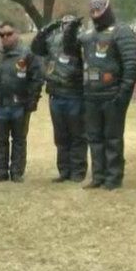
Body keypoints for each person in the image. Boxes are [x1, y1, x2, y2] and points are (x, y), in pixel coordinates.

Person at [77, 0, 136, 190]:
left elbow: (131, 63)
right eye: (92, 11)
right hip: (91, 95)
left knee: (112, 138)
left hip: (112, 94)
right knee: (94, 138)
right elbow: (71, 48)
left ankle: (113, 177)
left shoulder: (122, 31)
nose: (95, 14)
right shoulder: (88, 34)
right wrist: (70, 31)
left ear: (108, 10)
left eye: (99, 11)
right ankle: (98, 176)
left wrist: (124, 93)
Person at [0, 21, 41, 183]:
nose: (5, 37)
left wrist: (33, 99)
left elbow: (36, 77)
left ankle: (17, 172)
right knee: (0, 140)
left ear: (16, 33)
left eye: (8, 34)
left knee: (19, 140)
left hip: (19, 103)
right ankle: (1, 172)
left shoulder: (26, 53)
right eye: (1, 35)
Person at [31, 14, 86, 183]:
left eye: (69, 23)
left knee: (77, 134)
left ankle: (78, 171)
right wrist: (48, 27)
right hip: (56, 93)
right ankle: (64, 170)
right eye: (63, 23)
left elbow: (73, 47)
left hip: (74, 93)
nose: (66, 26)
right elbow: (36, 47)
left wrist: (73, 29)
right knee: (60, 136)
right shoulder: (52, 40)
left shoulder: (80, 39)